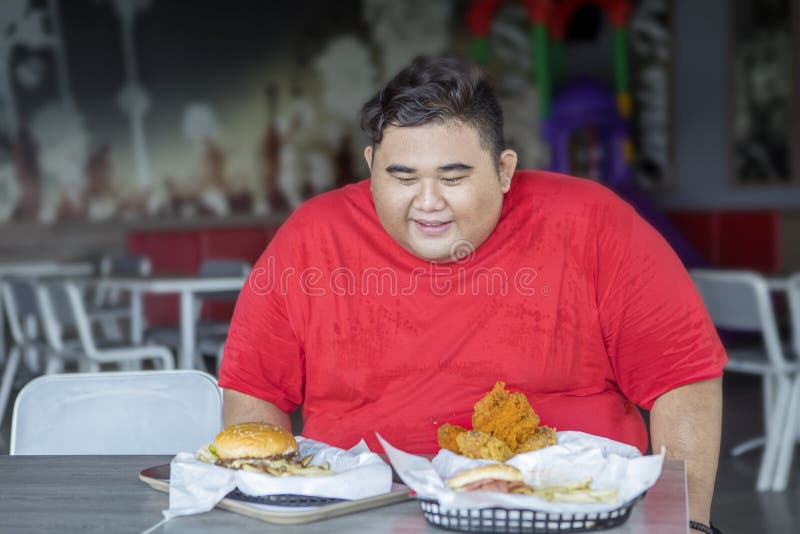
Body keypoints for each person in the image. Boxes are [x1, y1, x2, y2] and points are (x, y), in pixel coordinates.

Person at [219, 56, 725, 533]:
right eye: (403, 177)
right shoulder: (310, 239)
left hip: (576, 511)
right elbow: (254, 391)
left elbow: (681, 378)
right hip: (360, 516)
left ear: (504, 170)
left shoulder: (594, 223)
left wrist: (689, 523)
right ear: (372, 164)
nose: (428, 203)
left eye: (454, 177)